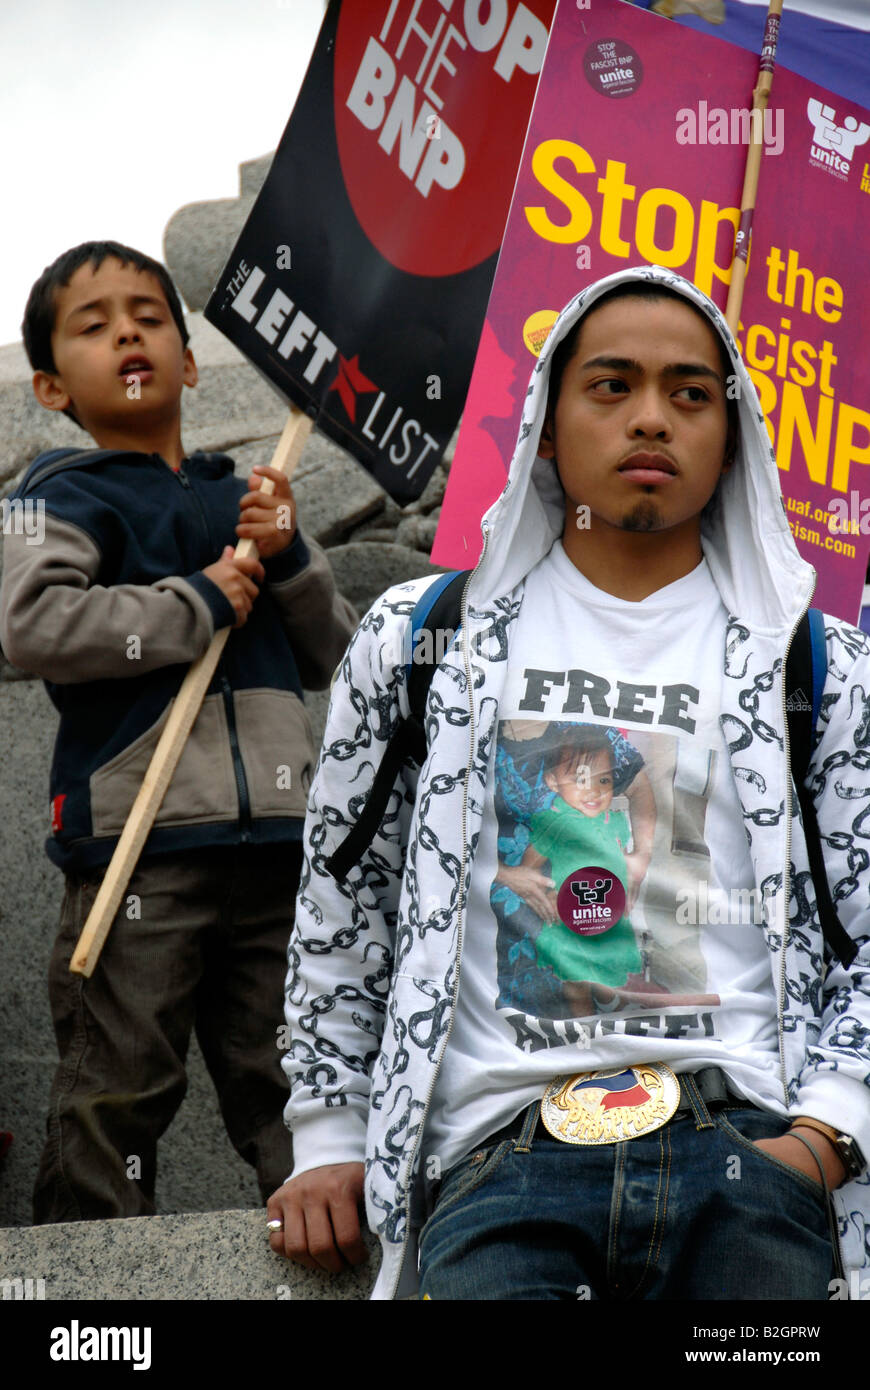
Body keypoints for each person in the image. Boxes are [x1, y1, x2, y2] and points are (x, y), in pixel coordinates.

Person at [267, 264, 870, 1300]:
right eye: (611, 385)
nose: (651, 417)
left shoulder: (818, 665)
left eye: (691, 393)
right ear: (546, 422)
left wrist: (825, 1135)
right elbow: (343, 894)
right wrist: (327, 1129)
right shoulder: (421, 642)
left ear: (733, 437)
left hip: (749, 1156)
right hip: (498, 1158)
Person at [0, 241, 357, 1222]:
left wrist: (285, 560)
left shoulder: (250, 498)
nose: (128, 331)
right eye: (94, 321)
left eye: (151, 316)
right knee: (117, 1081)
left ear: (191, 361)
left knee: (294, 1077)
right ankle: (86, 1278)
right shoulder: (44, 496)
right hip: (136, 846)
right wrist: (192, 600)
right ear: (46, 383)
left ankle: (321, 1249)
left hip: (281, 841)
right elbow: (32, 626)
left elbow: (334, 650)